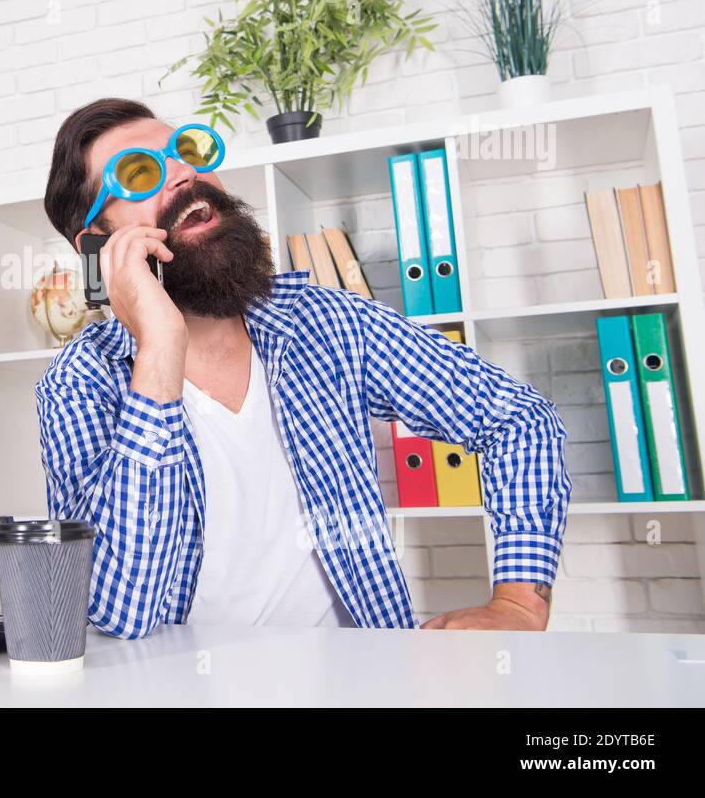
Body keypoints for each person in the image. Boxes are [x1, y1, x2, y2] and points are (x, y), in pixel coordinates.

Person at [36, 97, 571, 638]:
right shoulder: (78, 384)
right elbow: (121, 611)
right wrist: (159, 347)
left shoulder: (329, 325)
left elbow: (519, 420)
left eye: (188, 149)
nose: (183, 172)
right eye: (138, 172)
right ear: (97, 245)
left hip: (360, 680)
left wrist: (519, 605)